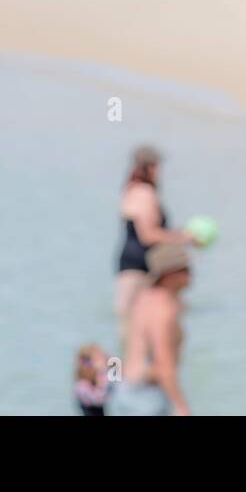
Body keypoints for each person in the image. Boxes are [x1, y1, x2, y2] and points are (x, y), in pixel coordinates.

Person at [115, 145, 195, 342]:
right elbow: (148, 236)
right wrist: (185, 237)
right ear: (150, 167)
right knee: (141, 329)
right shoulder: (144, 193)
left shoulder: (130, 190)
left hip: (131, 264)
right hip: (141, 267)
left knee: (131, 328)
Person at [106, 244, 193, 416]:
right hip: (146, 395)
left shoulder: (144, 299)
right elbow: (163, 364)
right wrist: (181, 406)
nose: (191, 274)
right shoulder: (163, 309)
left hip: (125, 390)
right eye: (186, 269)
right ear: (170, 273)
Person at [72, 344, 109, 416]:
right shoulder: (81, 386)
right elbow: (97, 399)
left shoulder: (98, 381)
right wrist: (101, 378)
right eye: (97, 360)